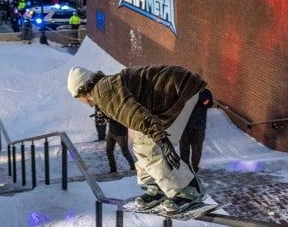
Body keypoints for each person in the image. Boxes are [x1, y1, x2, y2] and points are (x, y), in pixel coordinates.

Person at [68, 65, 215, 217]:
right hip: (175, 89)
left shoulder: (104, 93)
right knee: (140, 143)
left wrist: (162, 140)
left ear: (81, 91)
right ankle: (157, 186)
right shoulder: (104, 87)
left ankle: (189, 190)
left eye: (77, 98)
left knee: (149, 147)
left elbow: (138, 116)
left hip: (180, 90)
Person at [180, 86, 214, 174]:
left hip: (198, 126)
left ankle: (194, 168)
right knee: (185, 148)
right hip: (186, 125)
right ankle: (186, 168)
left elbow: (209, 103)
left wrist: (202, 99)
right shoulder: (185, 91)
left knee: (196, 149)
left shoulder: (204, 92)